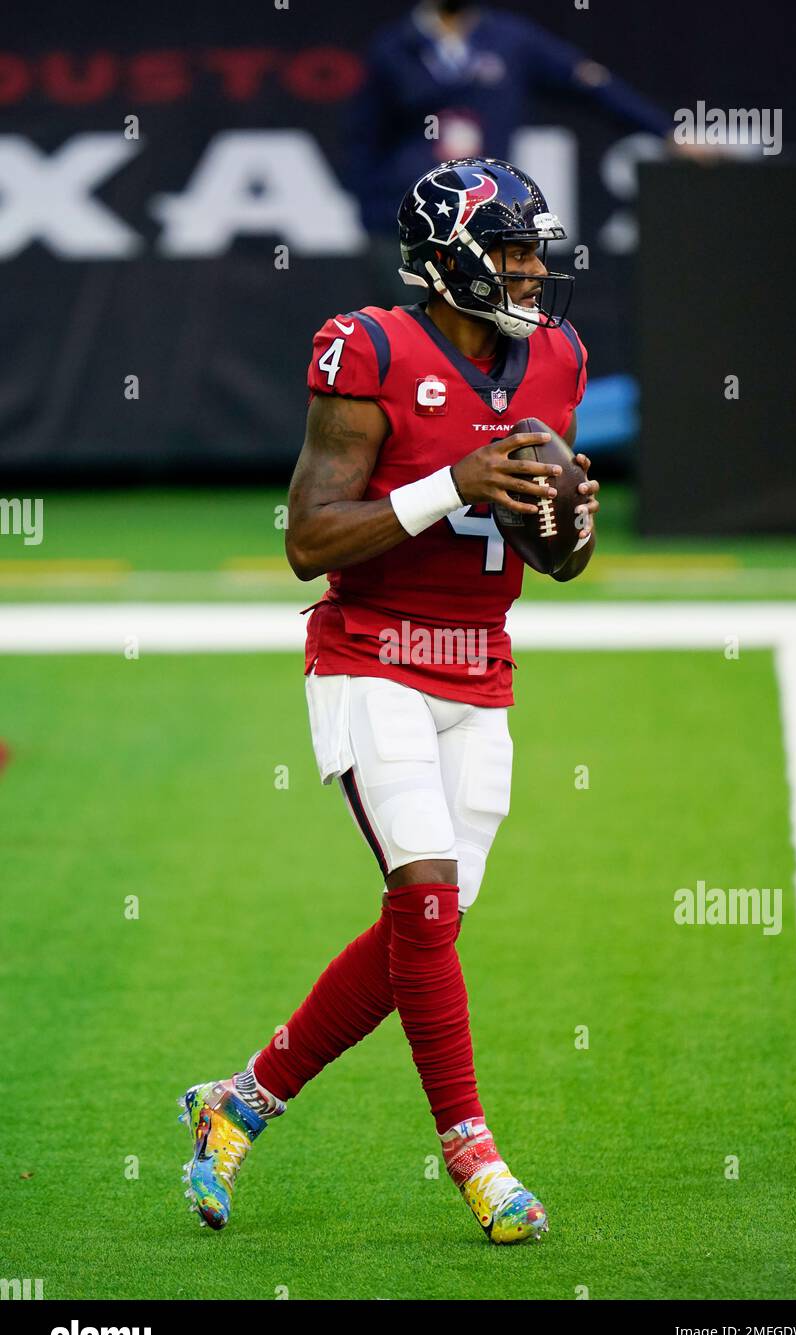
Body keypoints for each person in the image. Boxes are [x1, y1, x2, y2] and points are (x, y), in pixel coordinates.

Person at [178, 156, 600, 1245]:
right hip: (369, 654)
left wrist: (567, 531)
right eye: (506, 250)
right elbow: (310, 540)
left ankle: (242, 1099)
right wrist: (448, 483)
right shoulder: (366, 347)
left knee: (431, 924)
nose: (527, 270)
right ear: (445, 259)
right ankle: (473, 1151)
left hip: (481, 662)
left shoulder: (555, 359)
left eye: (529, 249)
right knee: (421, 897)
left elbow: (549, 560)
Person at [343, 0, 675, 304]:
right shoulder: (394, 47)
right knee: (412, 334)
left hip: (485, 217)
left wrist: (665, 131)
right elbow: (361, 138)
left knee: (482, 332)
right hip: (409, 222)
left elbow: (590, 85)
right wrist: (376, 214)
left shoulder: (510, 39)